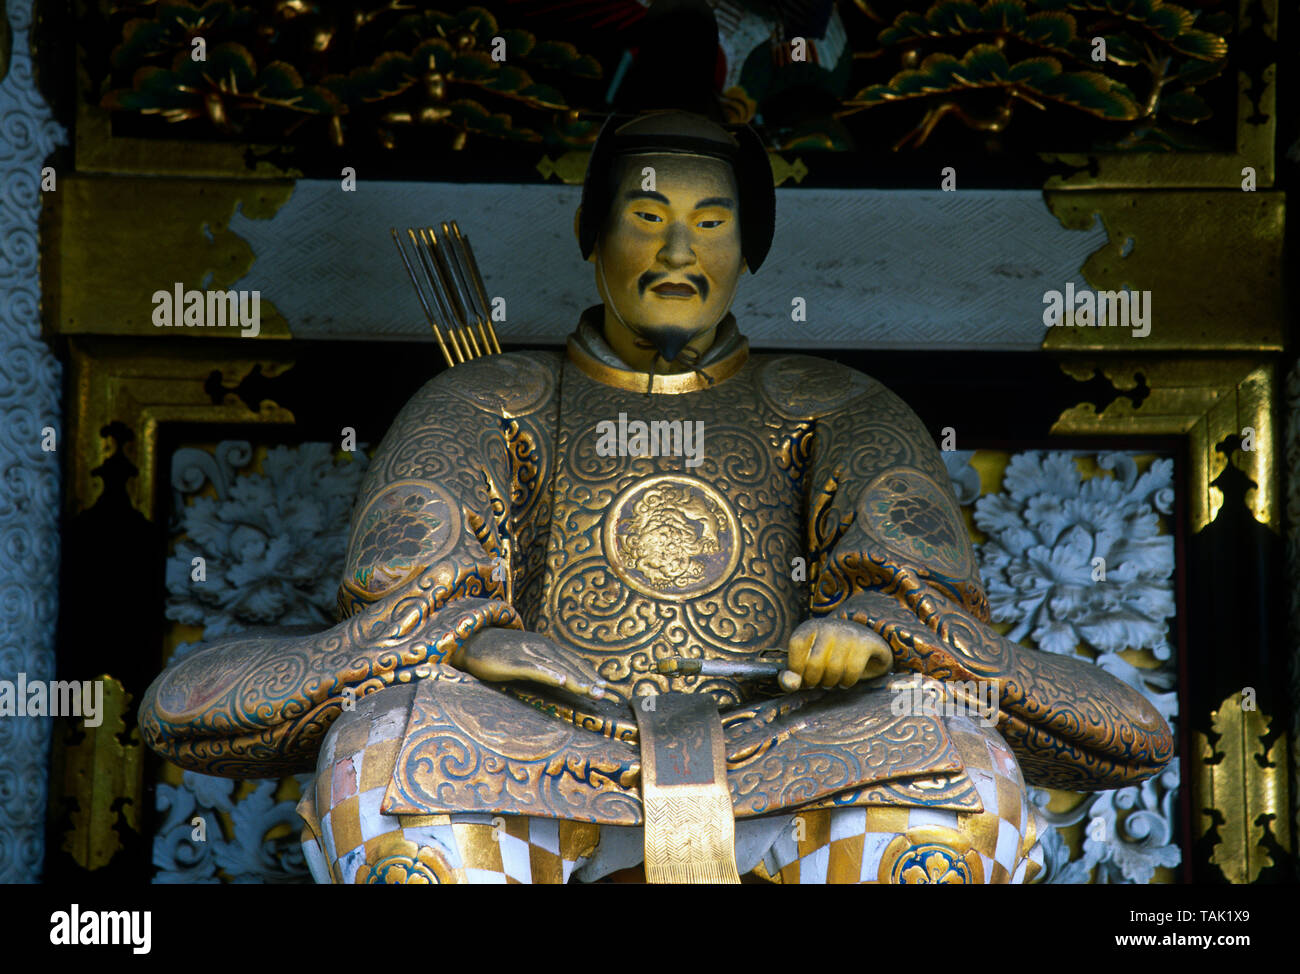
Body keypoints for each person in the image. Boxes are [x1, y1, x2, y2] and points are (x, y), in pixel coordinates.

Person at [141, 110, 1173, 884]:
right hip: (541, 751)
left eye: (709, 223)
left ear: (747, 251)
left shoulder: (837, 405)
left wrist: (867, 628)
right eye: (646, 218)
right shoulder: (488, 397)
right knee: (381, 752)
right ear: (593, 237)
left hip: (791, 746)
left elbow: (928, 607)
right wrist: (468, 640)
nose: (678, 251)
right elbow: (402, 606)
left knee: (961, 756)